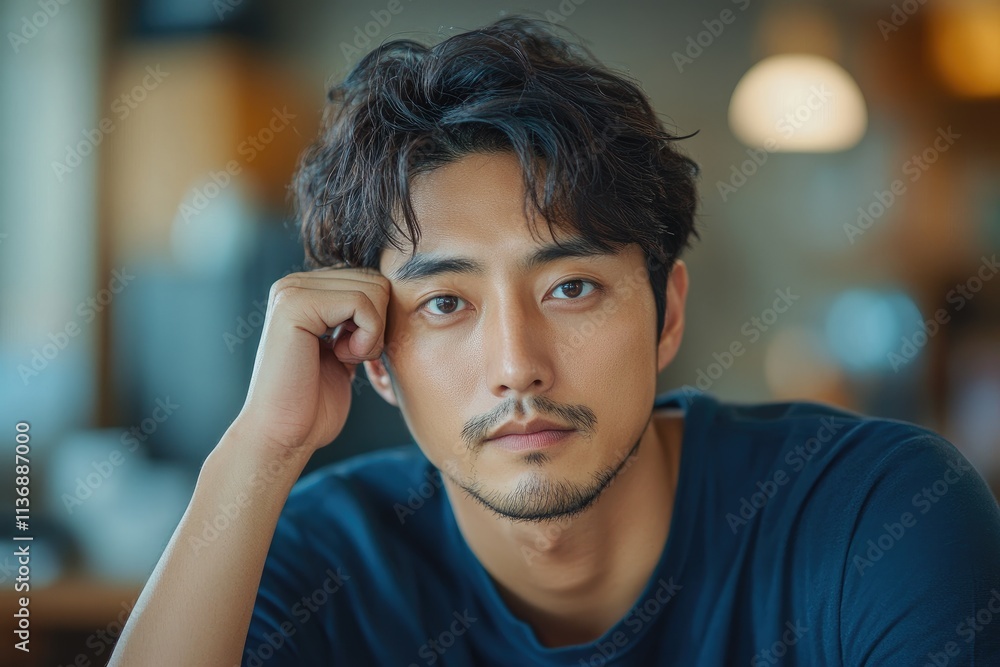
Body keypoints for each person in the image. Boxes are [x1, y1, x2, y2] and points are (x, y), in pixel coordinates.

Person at [109, 16, 1000, 667]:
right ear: (373, 355)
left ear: (668, 314)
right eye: (445, 303)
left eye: (571, 288)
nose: (517, 366)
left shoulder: (876, 515)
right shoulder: (320, 559)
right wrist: (260, 450)